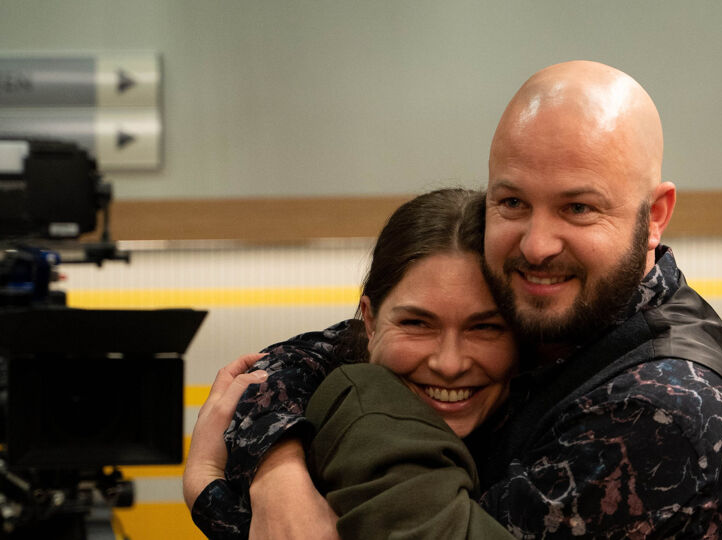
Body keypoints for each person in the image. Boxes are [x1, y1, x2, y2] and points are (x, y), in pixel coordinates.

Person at [190, 60, 722, 539]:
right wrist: (280, 468)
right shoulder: (547, 320)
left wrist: (213, 493)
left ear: (655, 217)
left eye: (578, 207)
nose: (537, 245)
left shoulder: (660, 410)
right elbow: (286, 367)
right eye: (514, 203)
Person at [184, 188, 517, 539]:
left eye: (484, 327)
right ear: (370, 322)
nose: (449, 364)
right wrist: (279, 469)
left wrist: (206, 488)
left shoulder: (556, 432)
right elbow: (283, 368)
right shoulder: (334, 388)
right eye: (416, 324)